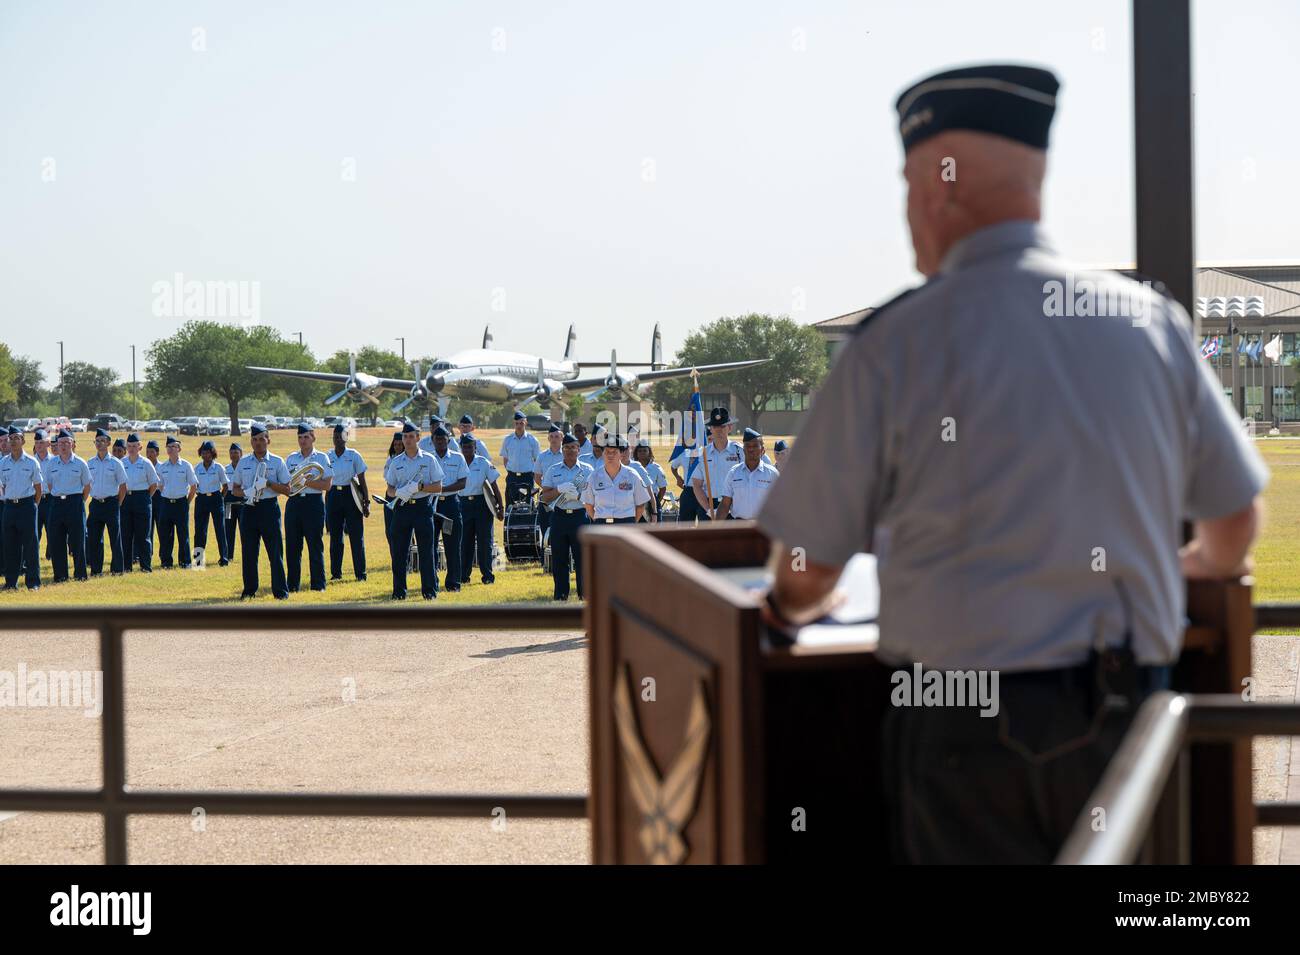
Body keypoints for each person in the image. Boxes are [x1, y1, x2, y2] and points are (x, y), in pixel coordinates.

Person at [757, 63, 1270, 865]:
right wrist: (1190, 565)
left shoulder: (894, 342)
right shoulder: (1149, 322)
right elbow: (1234, 526)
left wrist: (786, 608)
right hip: (1128, 719)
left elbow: (807, 563)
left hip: (963, 735)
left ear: (938, 185)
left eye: (907, 184)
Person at [230, 422, 292, 599]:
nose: (258, 443)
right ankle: (249, 591)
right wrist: (247, 492)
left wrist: (269, 483)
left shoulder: (277, 462)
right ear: (251, 442)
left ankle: (280, 592)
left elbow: (288, 490)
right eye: (255, 440)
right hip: (248, 509)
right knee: (249, 553)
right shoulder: (243, 462)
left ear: (268, 440)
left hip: (269, 509)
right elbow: (234, 489)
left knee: (275, 552)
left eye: (261, 439)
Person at [383, 421, 443, 600]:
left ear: (418, 438)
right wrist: (398, 492)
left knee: (426, 551)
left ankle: (429, 591)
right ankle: (399, 592)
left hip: (422, 508)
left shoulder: (429, 459)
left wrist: (420, 486)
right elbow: (390, 489)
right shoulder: (396, 462)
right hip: (402, 508)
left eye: (411, 436)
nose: (408, 440)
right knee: (400, 552)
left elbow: (438, 487)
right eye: (405, 437)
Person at [539, 432, 592, 600]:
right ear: (562, 449)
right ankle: (561, 595)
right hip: (559, 517)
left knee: (582, 558)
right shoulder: (553, 470)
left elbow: (595, 496)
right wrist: (559, 490)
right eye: (567, 447)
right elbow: (544, 496)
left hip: (580, 517)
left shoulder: (587, 470)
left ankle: (584, 594)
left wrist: (578, 497)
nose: (570, 450)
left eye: (573, 447)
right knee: (559, 558)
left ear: (579, 450)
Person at [284, 423, 333, 592]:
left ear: (313, 437)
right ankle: (292, 585)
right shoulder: (291, 458)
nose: (302, 440)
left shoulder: (321, 458)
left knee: (315, 545)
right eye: (299, 437)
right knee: (292, 546)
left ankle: (318, 584)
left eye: (305, 437)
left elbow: (327, 485)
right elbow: (286, 483)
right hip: (294, 503)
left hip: (313, 503)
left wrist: (307, 482)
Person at [41, 429, 91, 583]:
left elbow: (87, 486)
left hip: (75, 503)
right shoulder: (51, 463)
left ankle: (80, 574)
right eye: (60, 443)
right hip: (56, 503)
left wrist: (78, 500)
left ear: (73, 444)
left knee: (77, 541)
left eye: (66, 442)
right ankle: (61, 575)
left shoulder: (80, 463)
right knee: (56, 540)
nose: (63, 446)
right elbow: (49, 484)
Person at [1, 427, 43, 591]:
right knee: (10, 546)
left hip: (27, 506)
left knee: (30, 546)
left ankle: (33, 582)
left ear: (23, 441)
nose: (12, 441)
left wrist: (33, 505)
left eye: (16, 438)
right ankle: (11, 583)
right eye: (10, 438)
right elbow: (4, 486)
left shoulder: (32, 462)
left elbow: (38, 488)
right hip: (10, 507)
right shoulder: (3, 463)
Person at [326, 423, 369, 582]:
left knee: (356, 537)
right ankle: (336, 573)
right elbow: (325, 482)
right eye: (335, 436)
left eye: (340, 436)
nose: (337, 439)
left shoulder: (354, 455)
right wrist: (326, 504)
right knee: (335, 537)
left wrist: (366, 501)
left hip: (351, 495)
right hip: (333, 496)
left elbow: (362, 481)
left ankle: (361, 573)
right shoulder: (328, 456)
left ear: (346, 437)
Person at [458, 433, 502, 585]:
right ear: (461, 448)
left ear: (475, 448)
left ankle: (487, 576)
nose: (467, 449)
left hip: (482, 505)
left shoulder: (483, 462)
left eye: (470, 447)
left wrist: (500, 507)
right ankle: (463, 576)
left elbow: (494, 485)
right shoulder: (457, 462)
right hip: (463, 505)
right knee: (465, 542)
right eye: (465, 447)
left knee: (485, 542)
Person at [428, 425, 467, 592]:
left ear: (448, 441)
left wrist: (441, 489)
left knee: (452, 546)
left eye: (443, 439)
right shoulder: (428, 459)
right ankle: (433, 582)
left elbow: (462, 482)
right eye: (437, 439)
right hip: (432, 506)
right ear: (433, 441)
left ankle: (453, 584)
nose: (440, 442)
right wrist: (436, 490)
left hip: (450, 505)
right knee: (431, 545)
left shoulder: (458, 458)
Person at [85, 428, 128, 576]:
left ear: (109, 443)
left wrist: (118, 503)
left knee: (115, 538)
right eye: (97, 441)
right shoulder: (90, 462)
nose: (100, 444)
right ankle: (96, 570)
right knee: (95, 539)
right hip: (96, 503)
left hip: (111, 503)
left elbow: (123, 486)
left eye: (103, 441)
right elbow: (86, 483)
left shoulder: (116, 463)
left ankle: (117, 569)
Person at [582, 432, 649, 524]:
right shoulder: (594, 477)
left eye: (614, 452)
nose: (610, 455)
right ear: (603, 454)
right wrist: (599, 521)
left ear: (621, 454)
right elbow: (588, 504)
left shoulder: (632, 475)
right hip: (602, 524)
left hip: (625, 523)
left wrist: (631, 523)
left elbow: (641, 504)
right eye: (607, 452)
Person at [691, 407, 742, 520]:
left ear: (730, 427)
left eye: (722, 426)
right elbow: (696, 485)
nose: (719, 430)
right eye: (715, 426)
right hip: (709, 506)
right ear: (710, 429)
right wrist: (709, 510)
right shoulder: (702, 454)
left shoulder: (740, 452)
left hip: (734, 506)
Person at [154, 436, 197, 569]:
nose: (171, 449)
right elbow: (160, 485)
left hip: (181, 503)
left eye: (174, 446)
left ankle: (185, 562)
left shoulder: (186, 465)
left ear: (179, 449)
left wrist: (187, 502)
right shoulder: (163, 467)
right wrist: (166, 495)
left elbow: (193, 486)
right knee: (165, 534)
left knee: (183, 534)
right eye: (169, 447)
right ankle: (166, 562)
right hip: (166, 503)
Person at [717, 428, 778, 520]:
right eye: (747, 446)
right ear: (743, 450)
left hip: (763, 527)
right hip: (739, 527)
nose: (751, 449)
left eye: (755, 446)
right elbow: (725, 504)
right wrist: (716, 527)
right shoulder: (733, 473)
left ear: (763, 451)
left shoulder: (772, 474)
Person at [120, 433, 158, 573]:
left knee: (143, 535)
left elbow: (154, 484)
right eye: (129, 446)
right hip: (126, 499)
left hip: (142, 498)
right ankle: (126, 566)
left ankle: (145, 566)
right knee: (126, 535)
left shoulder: (146, 463)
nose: (131, 449)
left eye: (134, 446)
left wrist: (145, 498)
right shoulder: (122, 462)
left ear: (140, 447)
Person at [192, 440, 229, 567]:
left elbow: (225, 486)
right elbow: (194, 485)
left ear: (212, 453)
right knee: (200, 531)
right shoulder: (197, 468)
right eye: (203, 452)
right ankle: (198, 561)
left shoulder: (218, 467)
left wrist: (220, 499)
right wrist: (200, 495)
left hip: (216, 498)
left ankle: (224, 558)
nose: (205, 455)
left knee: (220, 530)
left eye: (208, 452)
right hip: (202, 499)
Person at [499, 410, 540, 507]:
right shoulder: (508, 440)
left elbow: (537, 460)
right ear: (514, 423)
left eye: (521, 423)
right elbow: (505, 459)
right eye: (517, 423)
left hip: (527, 477)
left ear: (525, 422)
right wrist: (512, 471)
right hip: (512, 477)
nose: (519, 425)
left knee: (527, 507)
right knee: (510, 505)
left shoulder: (532, 440)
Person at [534, 423, 565, 540]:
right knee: (546, 528)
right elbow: (537, 477)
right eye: (551, 437)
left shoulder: (567, 455)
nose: (554, 439)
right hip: (547, 498)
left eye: (556, 436)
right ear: (548, 439)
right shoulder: (542, 456)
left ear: (562, 438)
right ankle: (545, 555)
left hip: (564, 497)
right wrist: (549, 490)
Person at [619, 443, 657, 523]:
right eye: (621, 450)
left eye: (626, 450)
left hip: (639, 511)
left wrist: (654, 512)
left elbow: (649, 491)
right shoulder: (612, 467)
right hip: (620, 513)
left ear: (630, 450)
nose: (624, 453)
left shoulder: (637, 467)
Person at [634, 441, 668, 512]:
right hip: (635, 501)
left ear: (649, 452)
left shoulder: (656, 468)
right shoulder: (631, 467)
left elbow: (663, 488)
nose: (642, 453)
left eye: (645, 450)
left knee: (654, 522)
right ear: (636, 453)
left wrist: (656, 502)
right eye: (639, 451)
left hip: (651, 499)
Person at [223, 443, 244, 564]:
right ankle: (228, 555)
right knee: (229, 529)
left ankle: (246, 554)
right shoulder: (226, 469)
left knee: (244, 529)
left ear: (241, 453)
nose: (233, 455)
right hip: (229, 502)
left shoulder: (244, 467)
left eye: (236, 452)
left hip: (242, 501)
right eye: (231, 452)